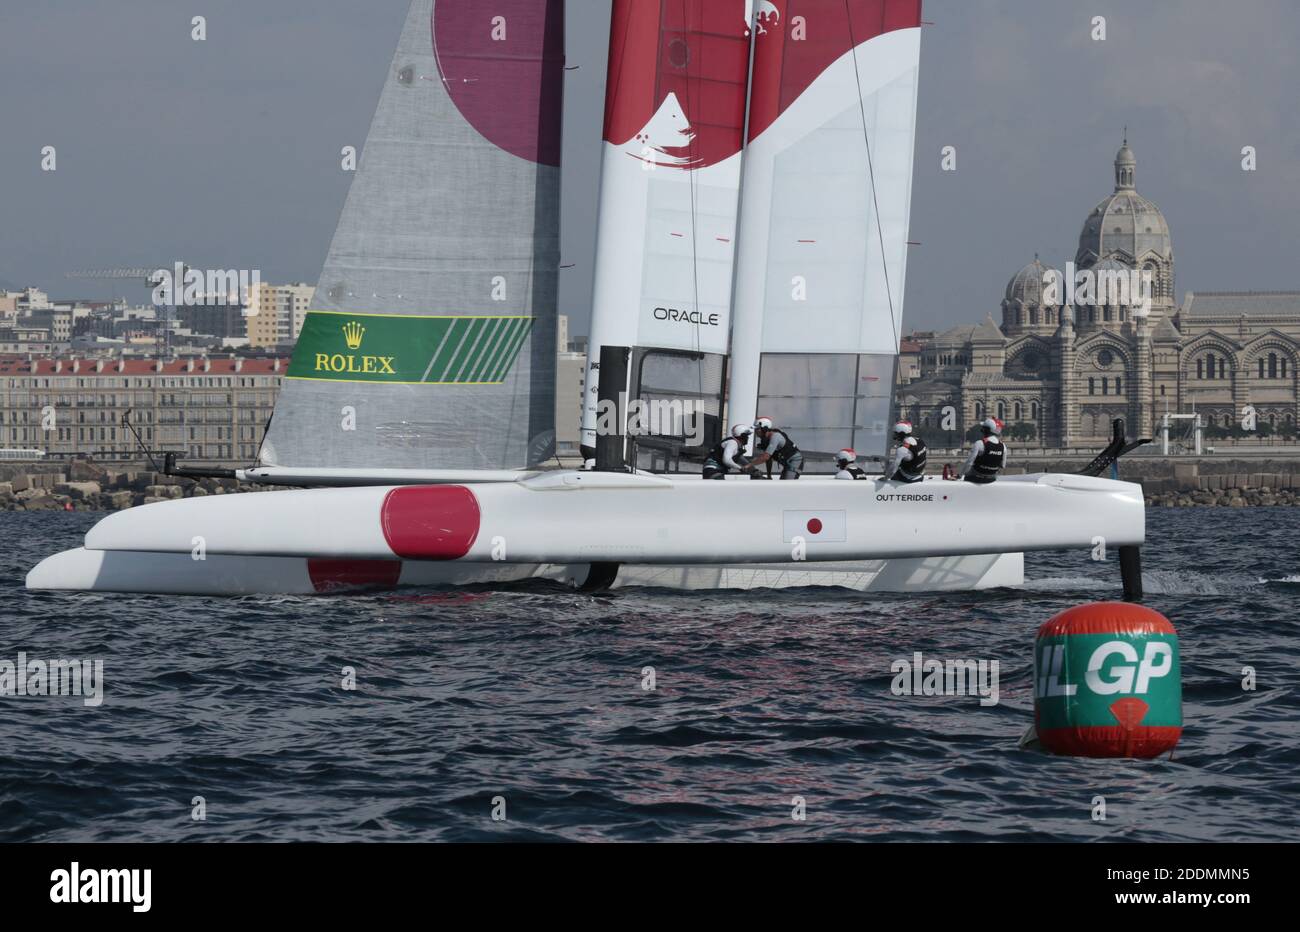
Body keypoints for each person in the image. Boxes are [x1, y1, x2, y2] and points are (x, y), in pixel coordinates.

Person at [961, 417, 1007, 484]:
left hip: (975, 478)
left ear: (985, 430)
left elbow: (969, 463)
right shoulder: (1003, 446)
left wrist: (960, 475)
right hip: (992, 479)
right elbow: (1003, 465)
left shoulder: (979, 443)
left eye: (983, 428)